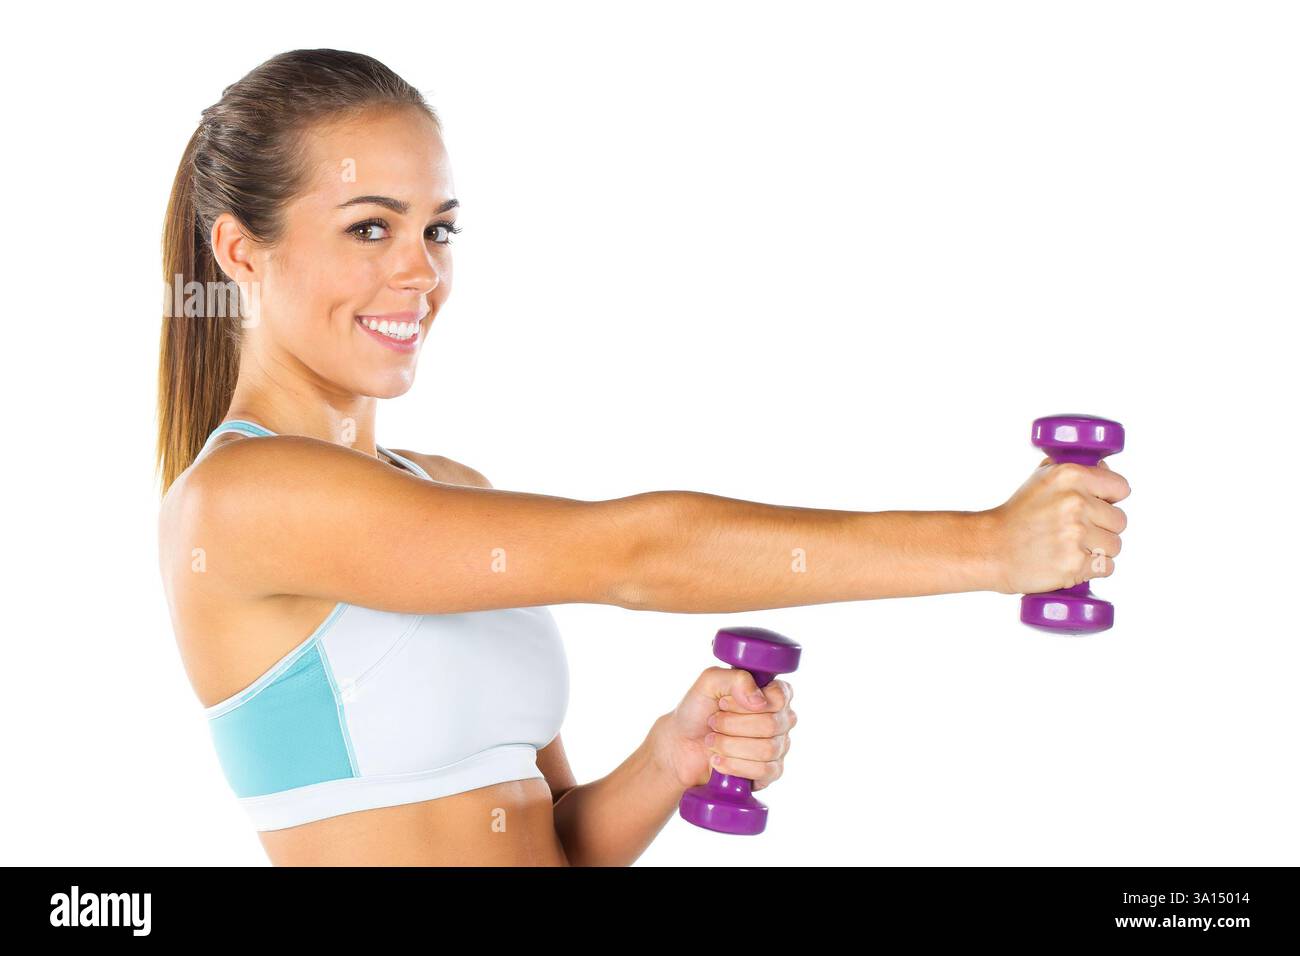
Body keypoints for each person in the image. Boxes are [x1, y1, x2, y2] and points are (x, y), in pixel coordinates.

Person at [156, 49, 1129, 866]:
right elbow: (636, 553)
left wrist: (669, 756)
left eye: (436, 228)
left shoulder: (450, 490)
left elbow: (557, 836)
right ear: (242, 251)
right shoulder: (241, 499)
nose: (421, 269)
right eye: (370, 226)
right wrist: (991, 548)